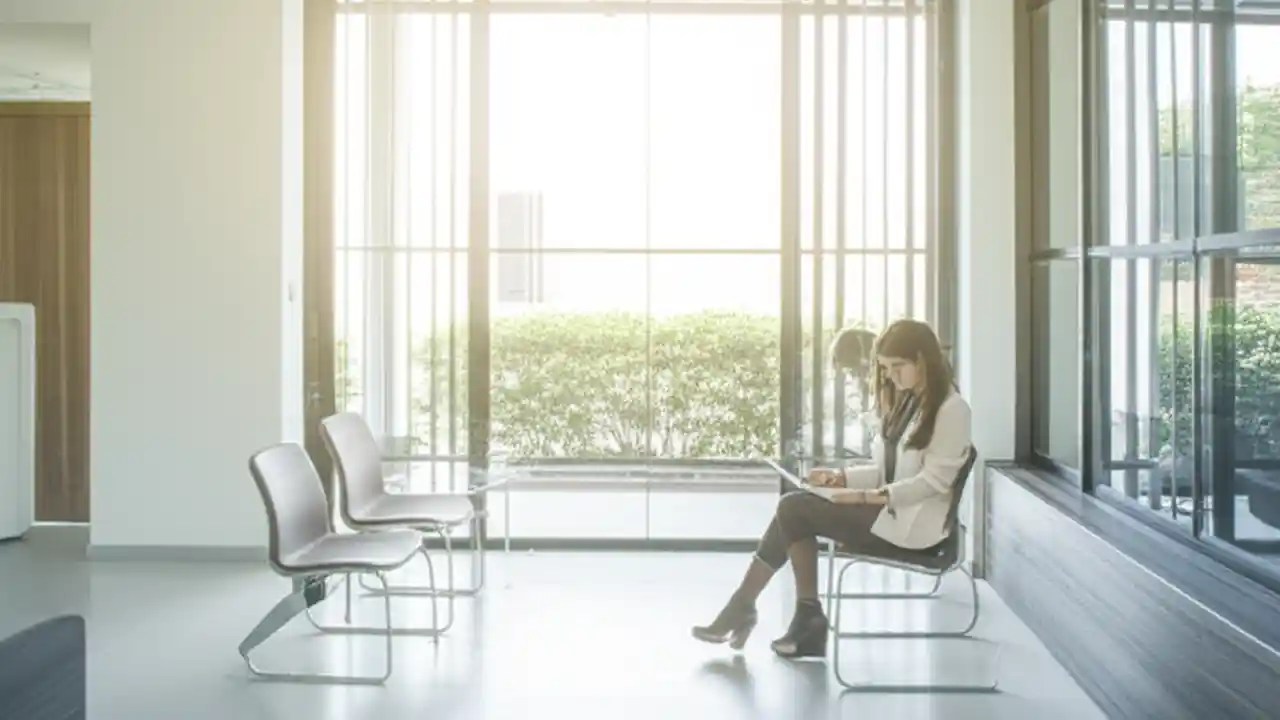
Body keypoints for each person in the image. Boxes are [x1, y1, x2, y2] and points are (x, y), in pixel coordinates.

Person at [691, 319, 972, 658]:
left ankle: (763, 611)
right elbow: (887, 471)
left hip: (917, 532)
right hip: (890, 513)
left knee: (793, 509)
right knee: (794, 508)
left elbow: (934, 482)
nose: (892, 378)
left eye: (898, 367)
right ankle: (779, 614)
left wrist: (868, 497)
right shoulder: (909, 403)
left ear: (923, 360)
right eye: (885, 369)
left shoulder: (953, 410)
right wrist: (842, 479)